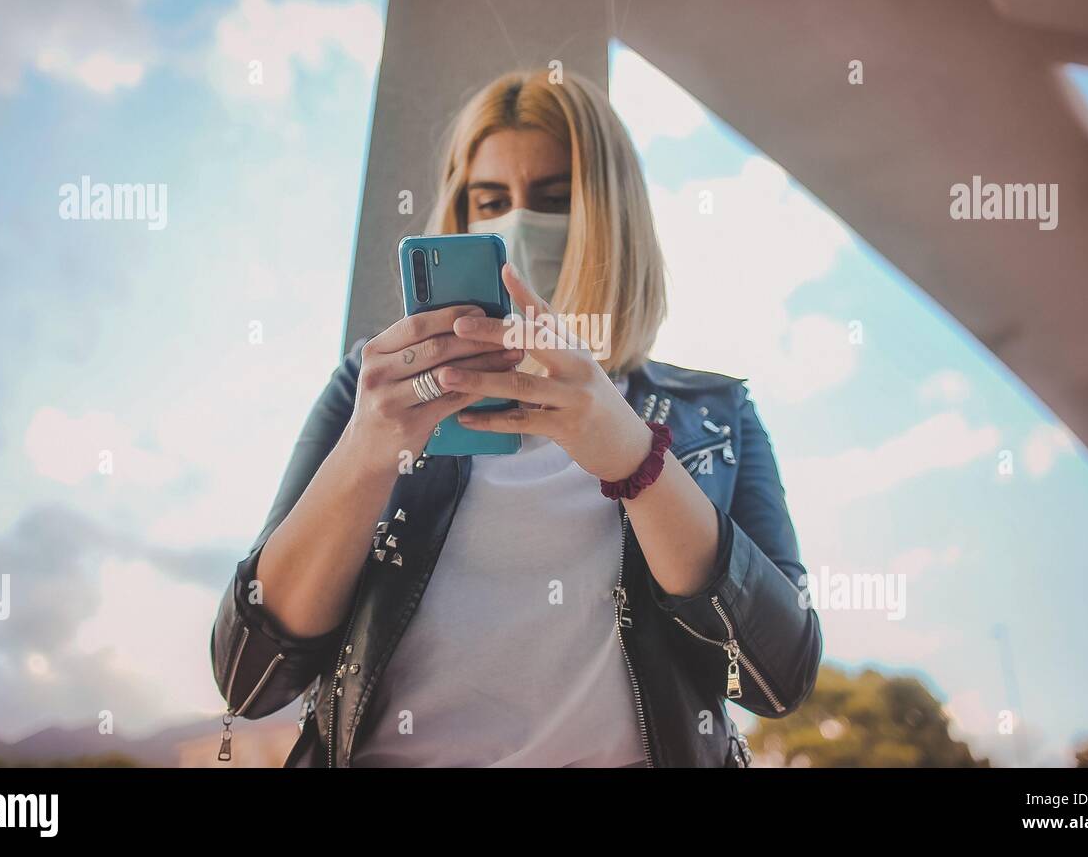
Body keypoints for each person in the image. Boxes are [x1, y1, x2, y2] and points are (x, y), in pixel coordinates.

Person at [210, 69, 823, 767]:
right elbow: (247, 675)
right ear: (459, 217)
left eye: (556, 198)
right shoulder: (374, 388)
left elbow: (781, 674)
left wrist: (636, 459)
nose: (518, 223)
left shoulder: (712, 412)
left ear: (615, 218)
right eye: (490, 198)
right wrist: (367, 451)